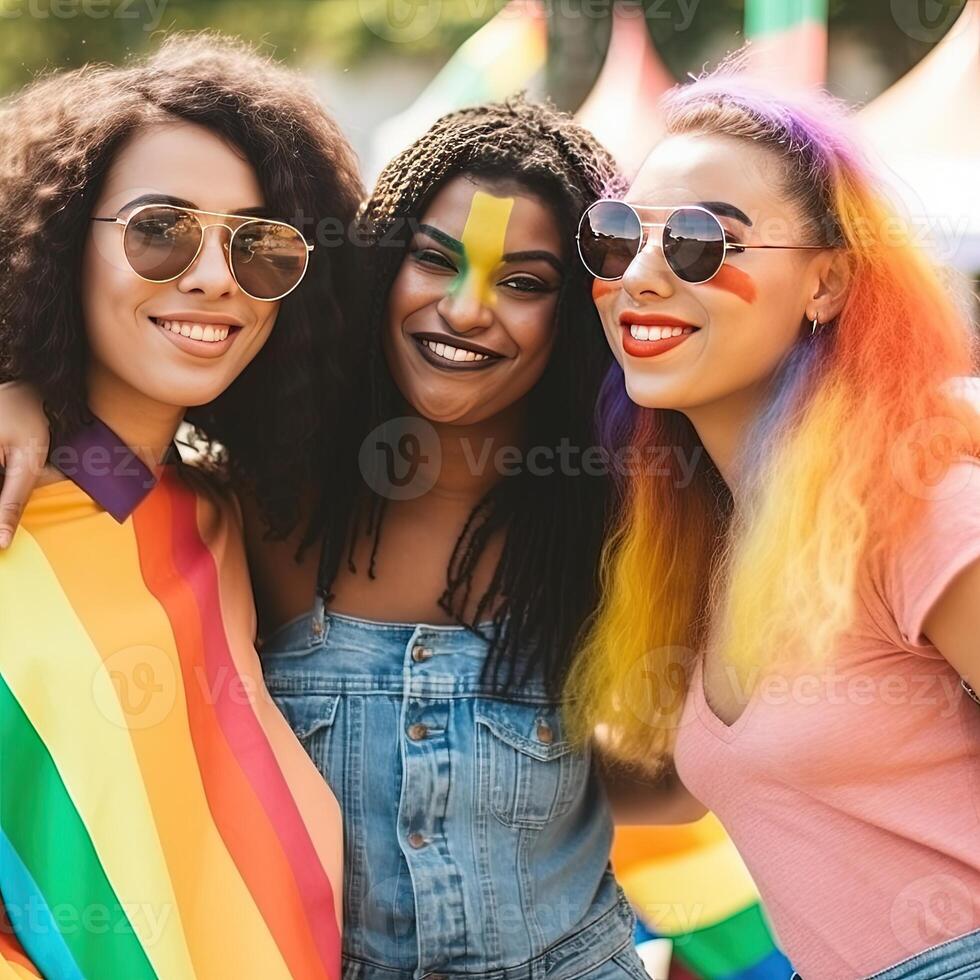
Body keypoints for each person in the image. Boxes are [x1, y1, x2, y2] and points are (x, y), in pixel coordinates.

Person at [0, 96, 651, 979]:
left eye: (524, 282)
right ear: (377, 269)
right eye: (434, 260)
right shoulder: (260, 505)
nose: (465, 310)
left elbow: (682, 778)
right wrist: (22, 388)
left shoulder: (619, 519)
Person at [568, 73, 980, 979]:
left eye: (700, 241)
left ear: (826, 283)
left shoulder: (916, 503)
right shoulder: (707, 540)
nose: (640, 275)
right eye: (619, 236)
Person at [0, 33, 363, 978]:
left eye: (259, 245)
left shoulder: (215, 514)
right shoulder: (14, 513)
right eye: (160, 230)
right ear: (59, 242)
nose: (214, 277)